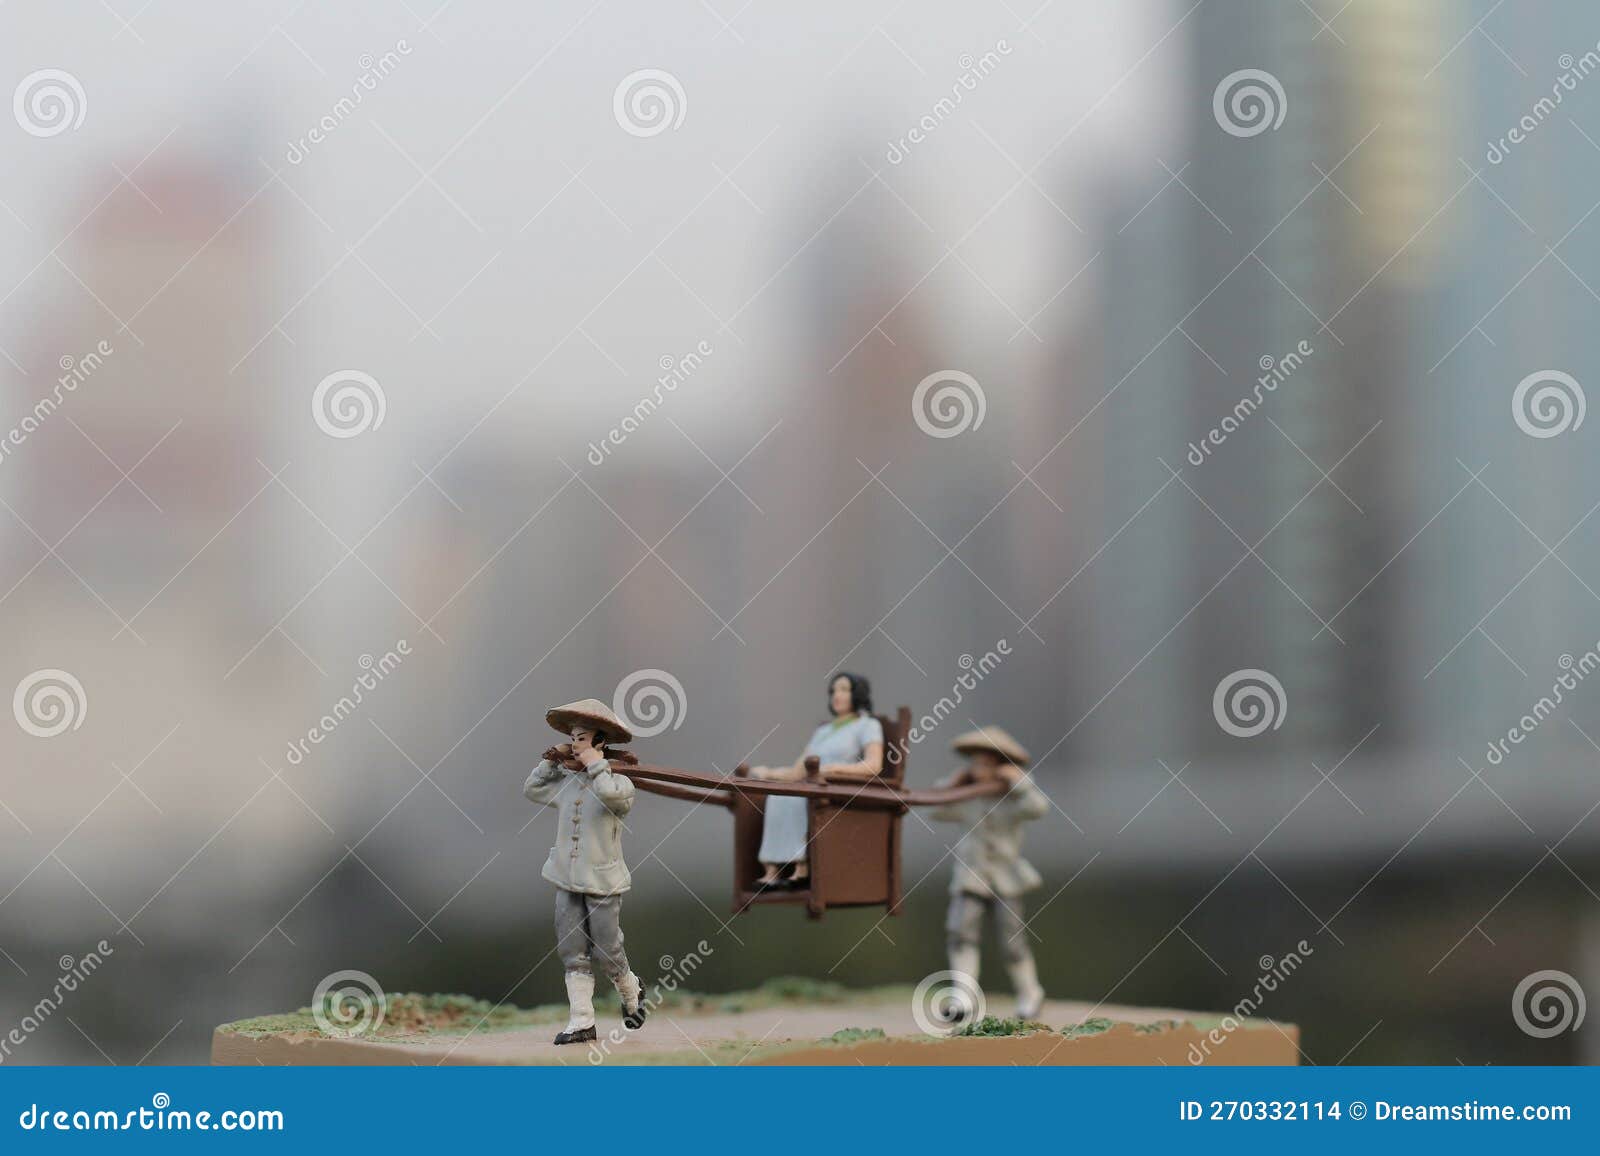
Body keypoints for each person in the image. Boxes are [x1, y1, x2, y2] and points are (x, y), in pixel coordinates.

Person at [524, 698, 647, 1045]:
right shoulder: (567, 783)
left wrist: (596, 764)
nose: (576, 743)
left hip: (603, 880)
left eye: (583, 737)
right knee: (571, 949)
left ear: (600, 742)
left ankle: (630, 992)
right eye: (574, 737)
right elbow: (532, 789)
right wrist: (551, 760)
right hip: (566, 876)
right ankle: (581, 1020)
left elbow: (611, 796)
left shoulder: (620, 782)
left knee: (608, 950)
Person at [930, 726, 1050, 1020]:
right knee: (961, 932)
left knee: (1012, 940)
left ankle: (1030, 992)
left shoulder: (1014, 799)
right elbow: (935, 810)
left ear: (1000, 765)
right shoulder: (968, 797)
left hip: (1006, 878)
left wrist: (1019, 783)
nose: (978, 768)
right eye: (974, 763)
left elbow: (1038, 807)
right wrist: (952, 785)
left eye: (985, 763)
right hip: (971, 877)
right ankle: (964, 996)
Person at [747, 672, 884, 888]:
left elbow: (873, 766)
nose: (837, 695)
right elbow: (797, 771)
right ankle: (772, 869)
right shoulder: (823, 731)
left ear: (857, 694)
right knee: (778, 795)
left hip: (837, 788)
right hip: (810, 783)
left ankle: (801, 867)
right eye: (834, 691)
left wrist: (836, 769)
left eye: (844, 690)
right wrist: (770, 773)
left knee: (798, 798)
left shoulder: (867, 725)